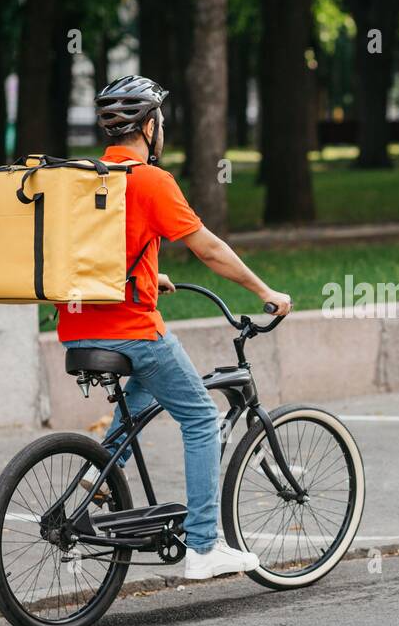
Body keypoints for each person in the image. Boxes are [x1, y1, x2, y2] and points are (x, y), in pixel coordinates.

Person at [60, 75, 293, 580]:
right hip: (129, 330)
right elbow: (207, 248)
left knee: (161, 363)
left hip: (77, 330)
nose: (160, 128)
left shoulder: (85, 177)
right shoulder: (150, 181)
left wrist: (148, 274)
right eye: (159, 121)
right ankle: (205, 548)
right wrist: (265, 292)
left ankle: (100, 468)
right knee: (202, 421)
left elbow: (91, 254)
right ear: (148, 126)